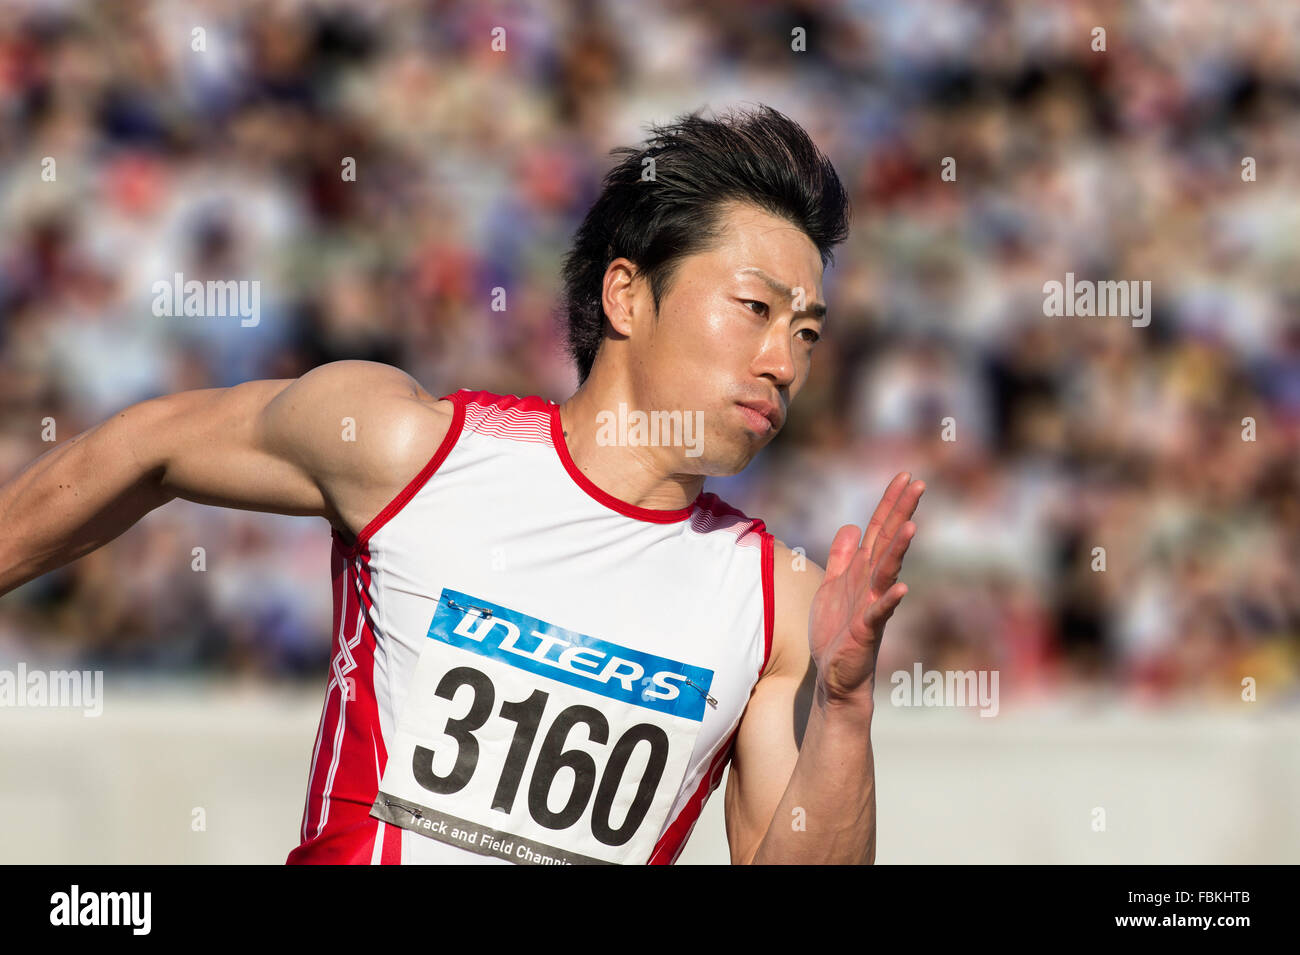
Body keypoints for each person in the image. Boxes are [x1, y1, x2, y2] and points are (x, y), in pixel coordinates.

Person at [0, 104, 923, 864]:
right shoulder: (411, 451)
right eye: (756, 309)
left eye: (807, 332)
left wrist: (844, 710)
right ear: (626, 295)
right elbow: (147, 443)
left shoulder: (777, 607)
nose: (784, 362)